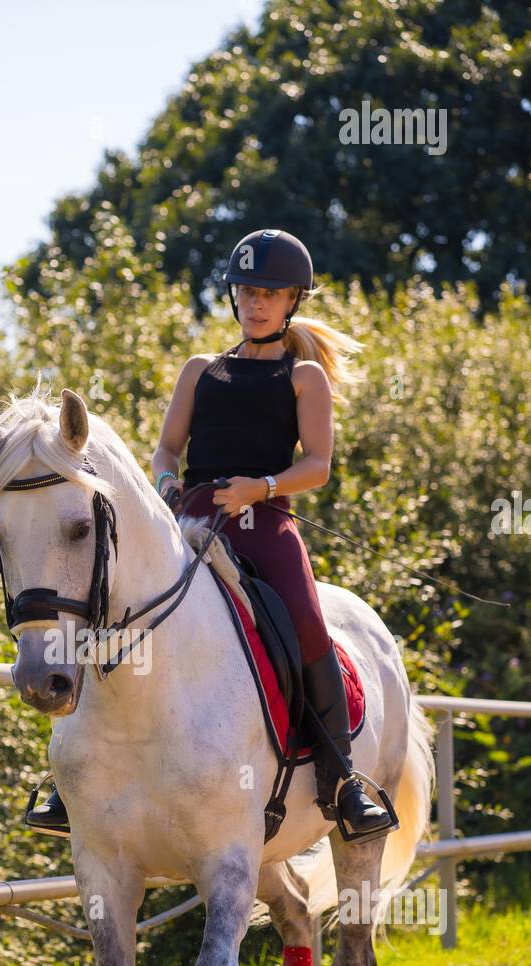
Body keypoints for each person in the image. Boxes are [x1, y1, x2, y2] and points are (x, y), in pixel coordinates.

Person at [27, 228, 396, 841]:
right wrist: (167, 481)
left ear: (292, 302)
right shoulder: (202, 371)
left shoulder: (304, 377)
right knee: (106, 608)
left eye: (270, 294)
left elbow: (318, 465)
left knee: (305, 624)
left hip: (264, 521)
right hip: (190, 518)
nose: (256, 304)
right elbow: (167, 447)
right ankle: (75, 778)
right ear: (234, 297)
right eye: (247, 291)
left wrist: (261, 487)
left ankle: (341, 778)